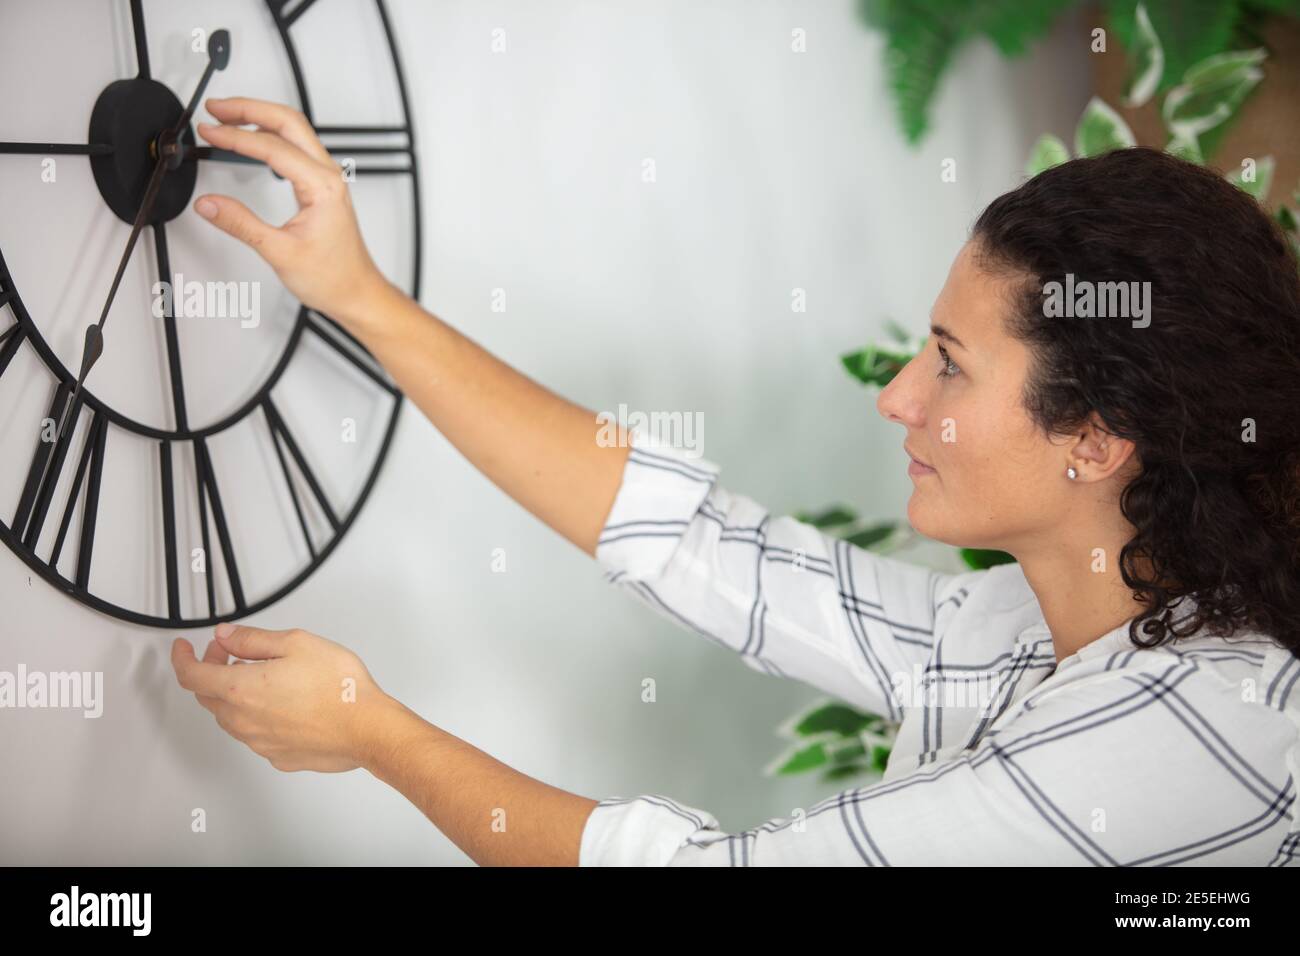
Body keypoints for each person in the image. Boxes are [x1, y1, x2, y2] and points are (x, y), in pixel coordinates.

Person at [170, 97, 1300, 866]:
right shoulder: (1037, 619)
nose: (897, 396)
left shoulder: (1200, 730)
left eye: (949, 365)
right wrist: (363, 298)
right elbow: (706, 548)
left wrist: (373, 733)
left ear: (1097, 439)